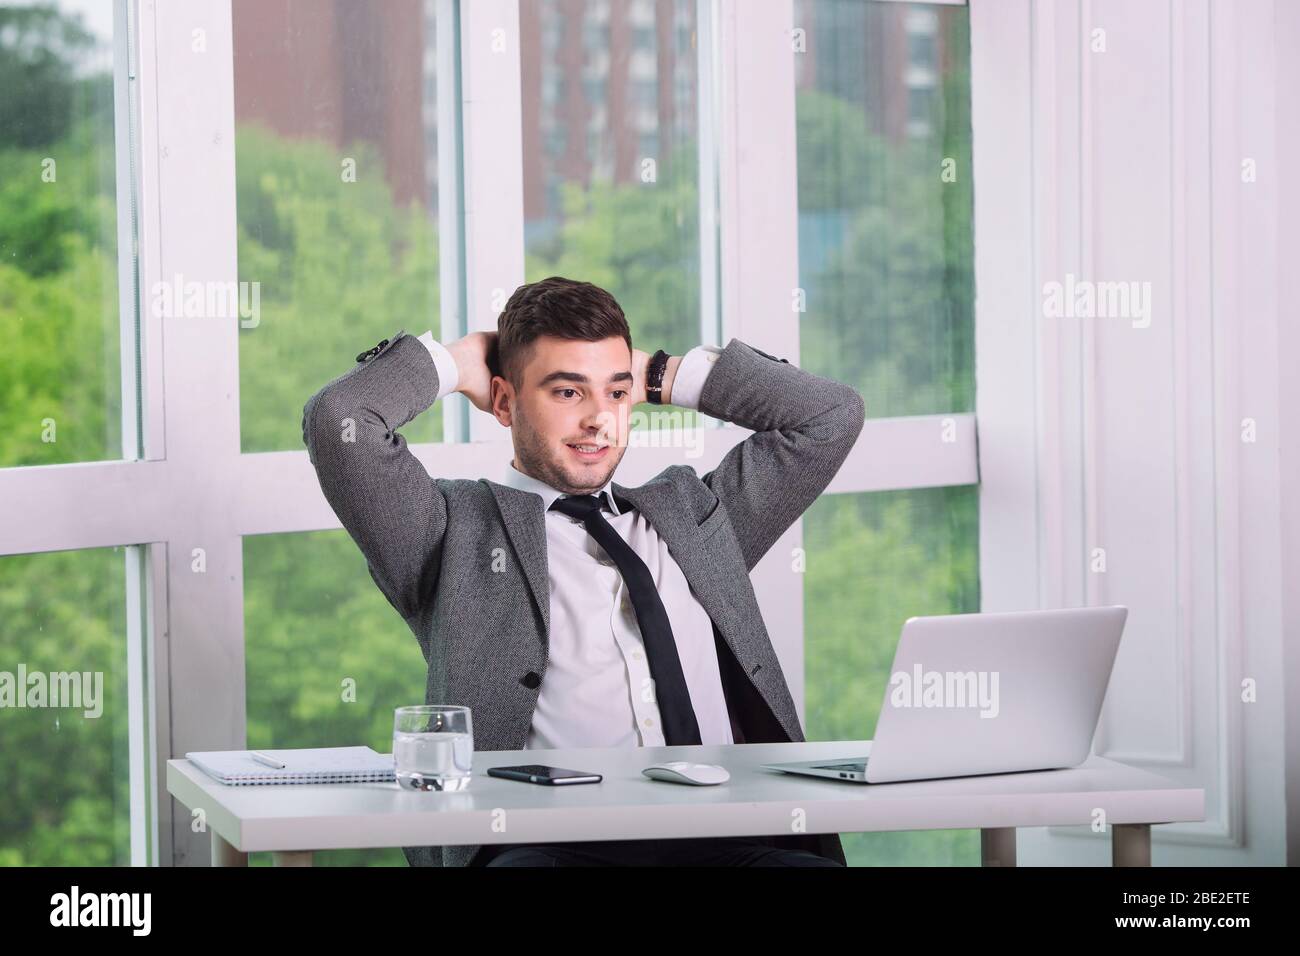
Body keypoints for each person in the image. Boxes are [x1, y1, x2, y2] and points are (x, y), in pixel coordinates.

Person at [302, 276, 866, 866]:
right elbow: (339, 422)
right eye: (568, 393)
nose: (600, 420)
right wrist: (455, 360)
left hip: (729, 841)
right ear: (503, 401)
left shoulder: (693, 519)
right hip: (552, 849)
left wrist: (657, 375)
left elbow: (830, 417)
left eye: (615, 394)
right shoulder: (450, 531)